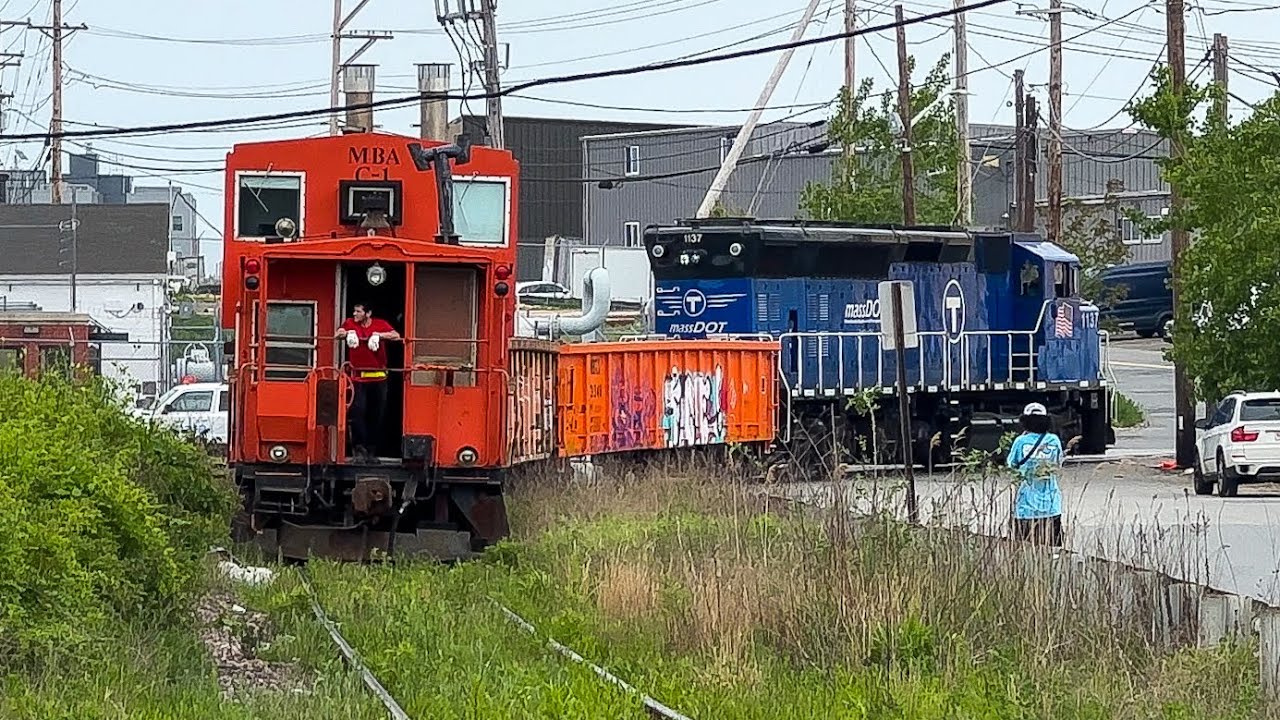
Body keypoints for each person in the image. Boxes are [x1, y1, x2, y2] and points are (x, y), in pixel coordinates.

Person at [335, 302, 401, 463]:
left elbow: (396, 335)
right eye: (354, 310)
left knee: (376, 416)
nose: (354, 313)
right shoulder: (351, 323)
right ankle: (359, 450)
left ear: (368, 313)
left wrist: (379, 335)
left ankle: (372, 451)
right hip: (358, 378)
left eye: (358, 311)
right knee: (358, 413)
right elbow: (338, 333)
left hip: (379, 379)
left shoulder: (380, 324)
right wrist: (348, 333)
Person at [1005, 401, 1065, 547]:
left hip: (1025, 507)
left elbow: (1011, 464)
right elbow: (1058, 464)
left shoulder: (1020, 441)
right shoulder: (1053, 440)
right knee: (1053, 549)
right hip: (1051, 505)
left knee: (1023, 548)